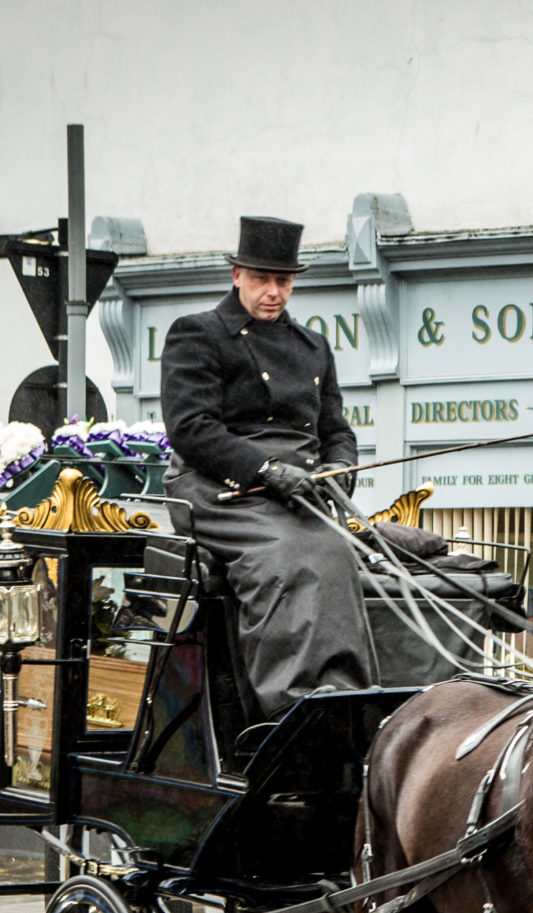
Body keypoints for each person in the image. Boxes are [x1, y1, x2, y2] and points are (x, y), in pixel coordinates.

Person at [161, 215, 374, 717]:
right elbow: (192, 428)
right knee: (294, 552)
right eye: (262, 279)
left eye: (283, 281)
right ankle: (290, 707)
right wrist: (265, 470)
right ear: (236, 275)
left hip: (300, 492)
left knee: (344, 553)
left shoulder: (313, 347)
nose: (273, 292)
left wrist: (339, 469)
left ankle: (345, 698)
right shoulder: (197, 334)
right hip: (219, 488)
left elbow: (336, 430)